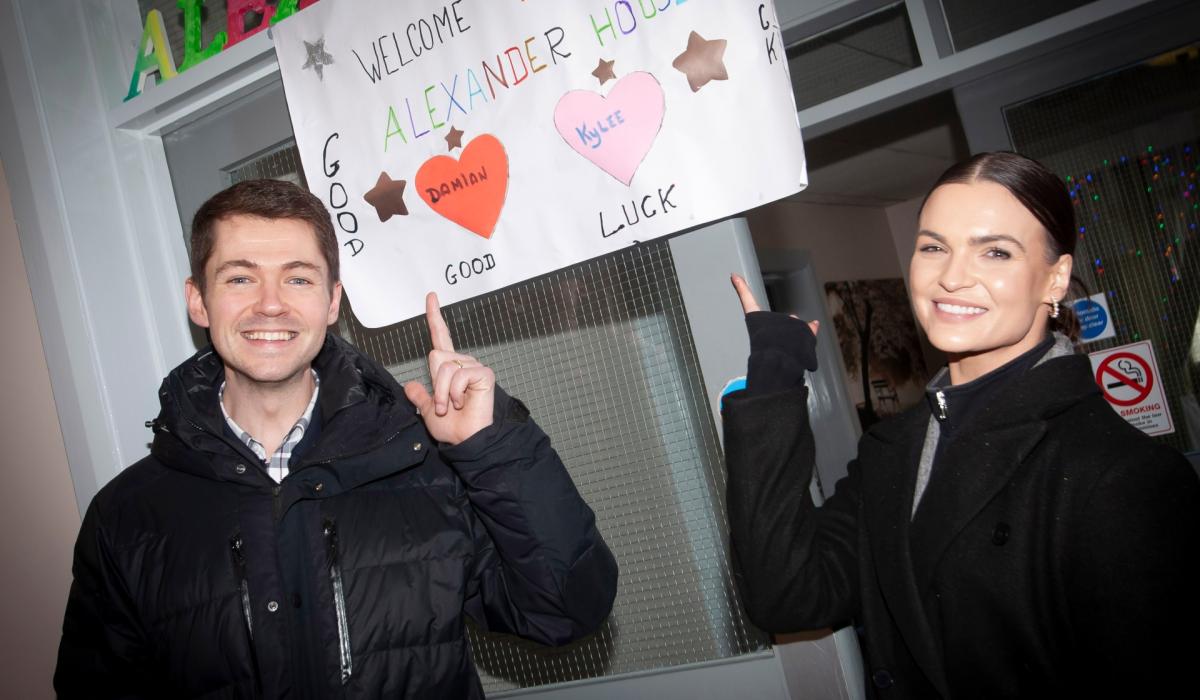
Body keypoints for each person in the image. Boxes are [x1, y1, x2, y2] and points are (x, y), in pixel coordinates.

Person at [54, 179, 618, 698]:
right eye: (240, 277)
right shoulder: (125, 520)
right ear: (199, 300)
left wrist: (490, 447)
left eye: (298, 277)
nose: (270, 302)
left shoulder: (425, 467)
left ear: (331, 302)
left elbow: (565, 611)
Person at [722, 152, 1200, 698]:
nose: (951, 276)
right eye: (933, 247)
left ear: (1056, 278)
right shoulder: (893, 449)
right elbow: (787, 594)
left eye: (995, 251)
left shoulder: (1120, 477)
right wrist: (773, 381)